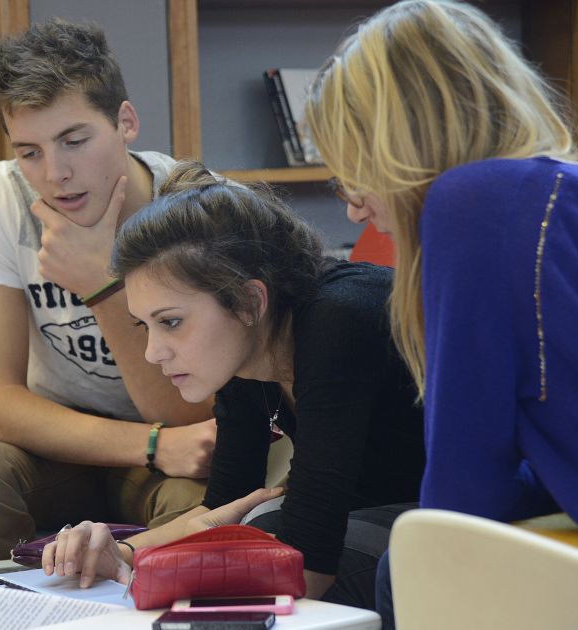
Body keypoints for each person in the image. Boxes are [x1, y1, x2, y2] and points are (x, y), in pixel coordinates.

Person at [304, 0, 578, 625]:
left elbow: (461, 504)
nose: (353, 207)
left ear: (400, 145)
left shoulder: (474, 204)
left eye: (354, 169)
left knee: (408, 563)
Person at [41, 161, 426, 610]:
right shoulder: (246, 349)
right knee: (257, 525)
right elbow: (225, 505)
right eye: (145, 325)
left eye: (171, 322)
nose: (153, 353)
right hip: (369, 520)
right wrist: (120, 552)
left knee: (263, 531)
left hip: (457, 524)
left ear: (248, 300)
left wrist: (176, 566)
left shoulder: (336, 319)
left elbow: (308, 566)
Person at [0, 19, 218, 563]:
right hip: (52, 436)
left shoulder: (197, 206)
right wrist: (151, 445)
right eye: (29, 152)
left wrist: (101, 285)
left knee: (200, 511)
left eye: (74, 141)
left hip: (170, 433)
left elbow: (189, 412)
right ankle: (3, 609)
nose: (55, 174)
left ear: (125, 122)